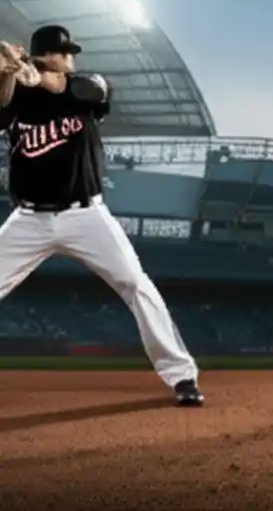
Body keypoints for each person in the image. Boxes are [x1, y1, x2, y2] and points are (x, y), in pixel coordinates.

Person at [0, 24, 204, 407]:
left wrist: (32, 70)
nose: (71, 57)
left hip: (86, 216)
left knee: (135, 283)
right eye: (66, 51)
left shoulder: (84, 88)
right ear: (52, 52)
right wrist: (7, 71)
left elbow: (80, 88)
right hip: (28, 219)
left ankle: (182, 375)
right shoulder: (17, 100)